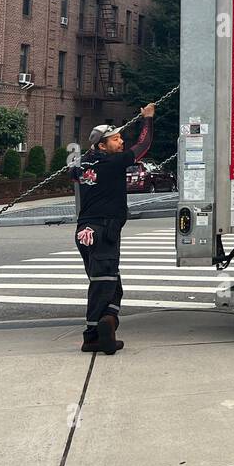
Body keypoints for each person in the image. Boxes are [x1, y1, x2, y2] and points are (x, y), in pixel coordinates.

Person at [72, 104, 155, 354]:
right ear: (101, 146)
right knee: (103, 285)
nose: (120, 142)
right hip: (103, 231)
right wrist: (147, 119)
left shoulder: (81, 165)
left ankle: (108, 322)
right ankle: (92, 336)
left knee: (110, 284)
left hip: (84, 232)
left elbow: (75, 175)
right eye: (115, 139)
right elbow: (143, 146)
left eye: (120, 138)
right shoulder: (114, 163)